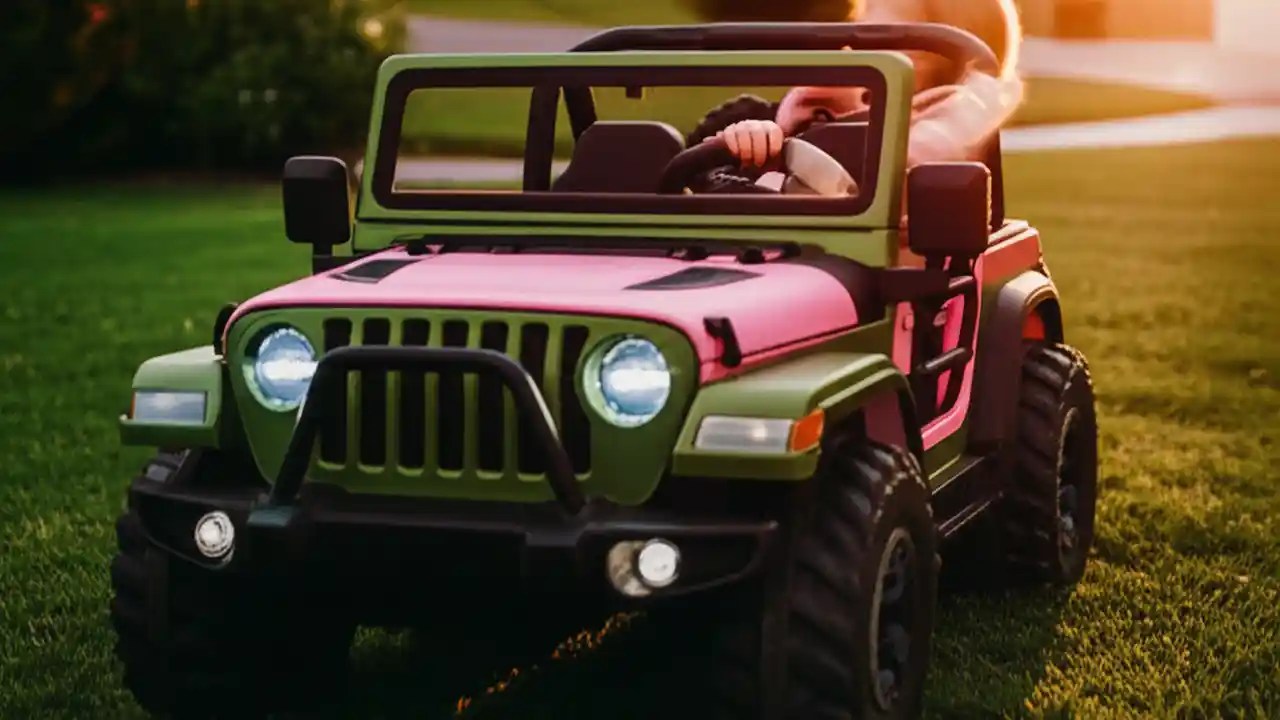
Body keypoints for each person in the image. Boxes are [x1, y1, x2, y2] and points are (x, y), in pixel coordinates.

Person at [704, 0, 1026, 180]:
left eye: (886, 38)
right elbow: (684, 177)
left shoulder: (935, 130)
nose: (852, 47)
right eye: (859, 32)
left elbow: (936, 140)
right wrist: (749, 141)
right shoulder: (782, 111)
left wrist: (986, 84)